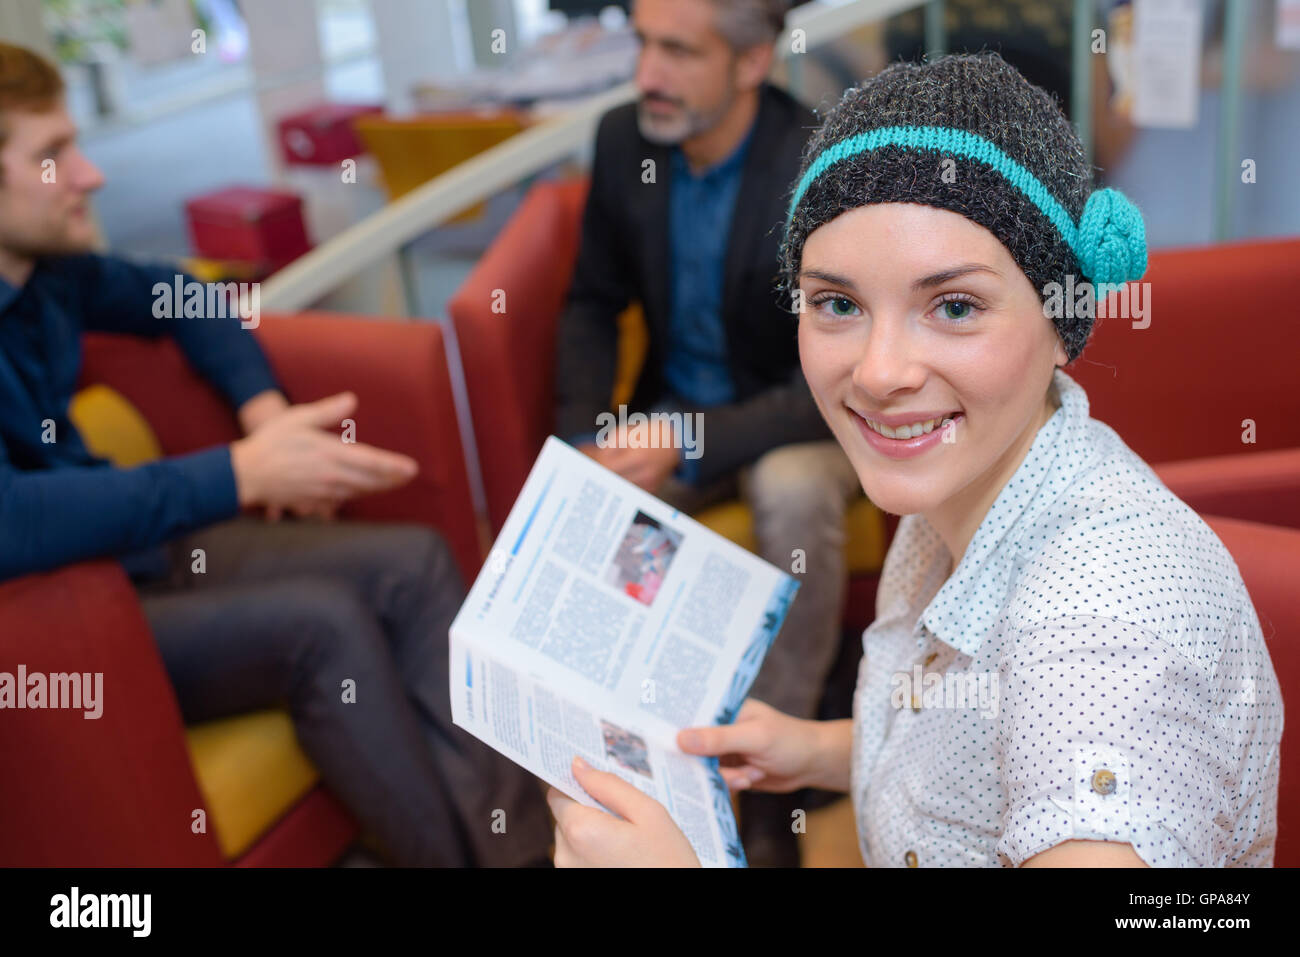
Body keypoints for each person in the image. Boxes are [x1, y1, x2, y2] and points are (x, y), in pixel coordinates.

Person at [547, 52, 1283, 867]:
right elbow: (997, 726)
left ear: (1061, 322)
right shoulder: (961, 492)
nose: (879, 372)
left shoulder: (1103, 622)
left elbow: (1079, 707)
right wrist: (825, 749)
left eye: (955, 306)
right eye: (838, 304)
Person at [0, 42, 552, 867]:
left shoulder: (48, 273)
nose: (90, 174)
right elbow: (13, 521)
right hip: (49, 622)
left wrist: (261, 413)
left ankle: (524, 855)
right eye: (51, 156)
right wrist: (239, 474)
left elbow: (185, 295)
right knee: (324, 624)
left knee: (415, 561)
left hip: (120, 549)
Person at [553, 0, 864, 865]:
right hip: (671, 411)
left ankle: (772, 773)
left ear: (752, 61)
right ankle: (620, 772)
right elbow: (590, 303)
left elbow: (833, 371)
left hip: (794, 417)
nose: (648, 73)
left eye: (679, 51)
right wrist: (584, 446)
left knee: (793, 490)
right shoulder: (626, 140)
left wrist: (687, 438)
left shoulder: (814, 161)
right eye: (644, 44)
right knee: (596, 512)